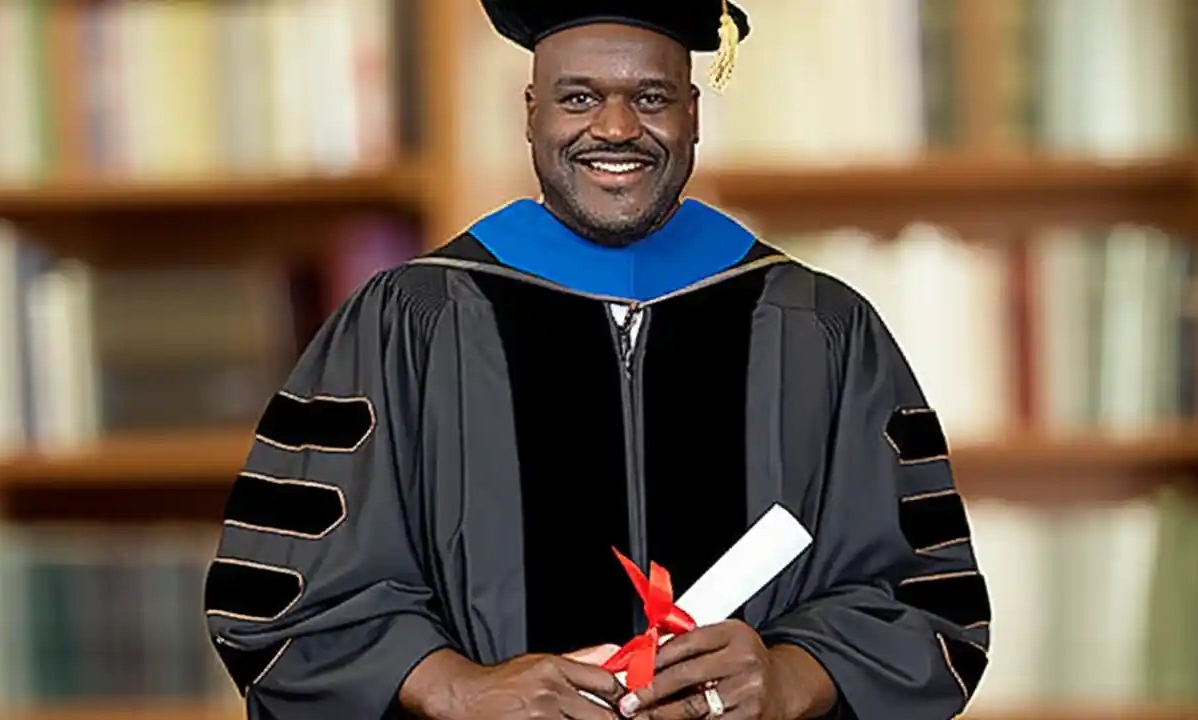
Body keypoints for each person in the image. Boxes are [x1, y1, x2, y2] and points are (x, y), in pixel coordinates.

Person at [202, 1, 992, 717]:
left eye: (650, 98)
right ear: (531, 113)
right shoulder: (404, 324)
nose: (614, 128)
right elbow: (283, 606)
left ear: (692, 113)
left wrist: (795, 675)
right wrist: (459, 688)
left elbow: (927, 603)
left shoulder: (824, 329)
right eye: (578, 97)